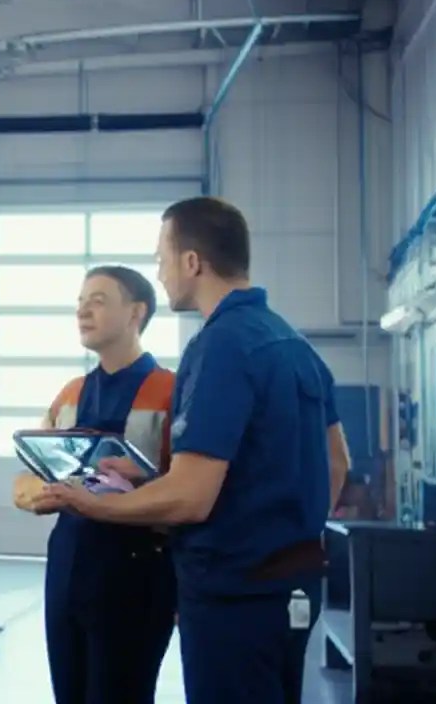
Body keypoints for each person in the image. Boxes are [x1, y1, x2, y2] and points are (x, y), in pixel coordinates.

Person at [33, 197, 352, 704]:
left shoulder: (220, 346)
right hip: (288, 591)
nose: (159, 273)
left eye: (162, 258)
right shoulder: (293, 344)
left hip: (230, 594)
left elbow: (192, 497)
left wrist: (93, 502)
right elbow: (337, 462)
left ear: (192, 262)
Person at [12, 265, 177, 704]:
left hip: (137, 568)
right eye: (80, 302)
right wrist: (40, 496)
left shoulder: (170, 392)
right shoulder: (70, 393)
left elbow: (191, 488)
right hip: (68, 563)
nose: (83, 311)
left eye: (98, 301)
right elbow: (27, 476)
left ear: (136, 313)